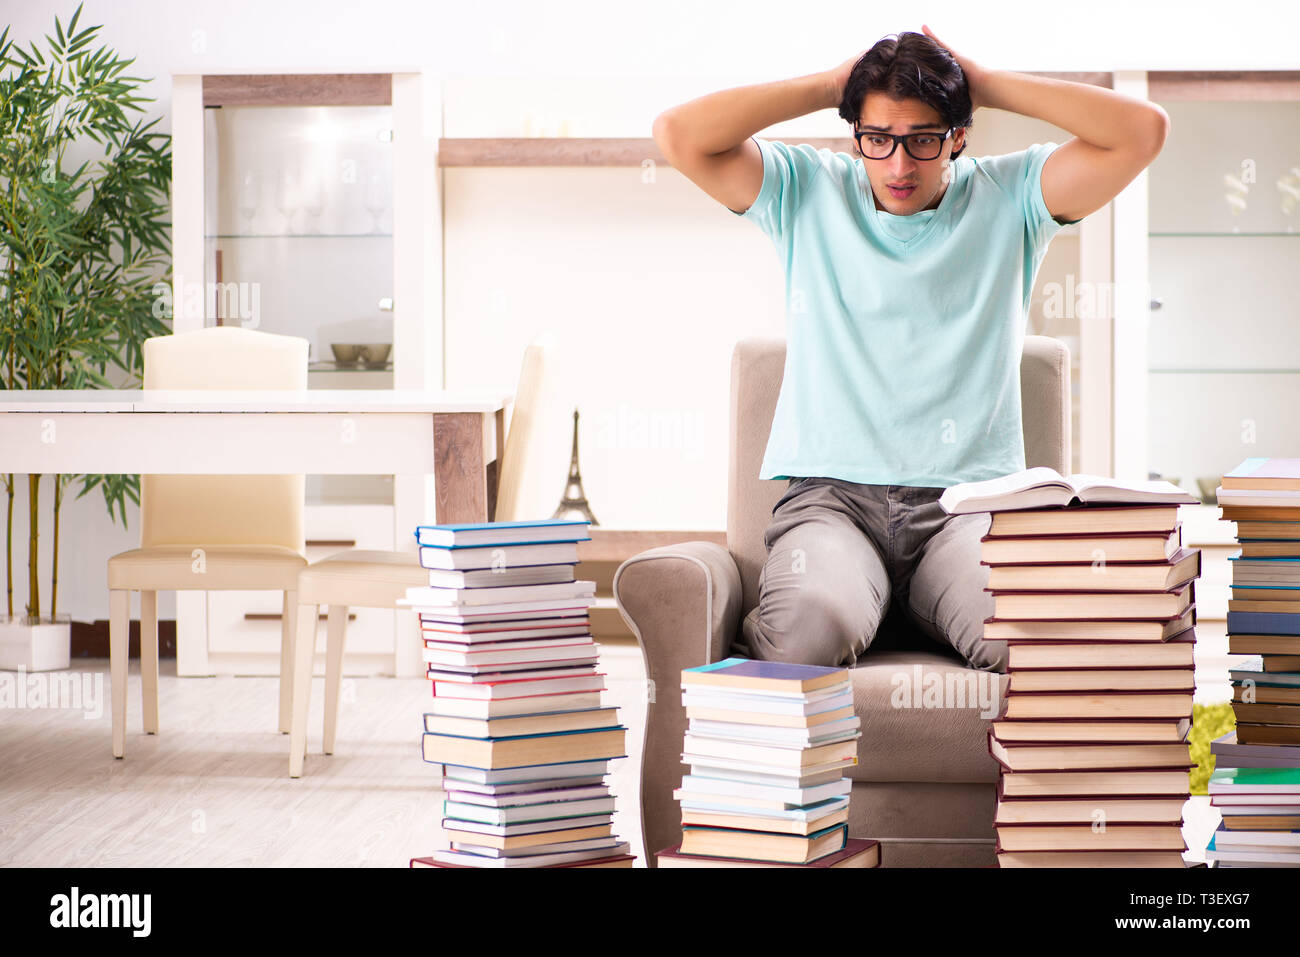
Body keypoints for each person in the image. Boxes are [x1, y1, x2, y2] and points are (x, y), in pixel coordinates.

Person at [651, 27, 1169, 672]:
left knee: (1030, 639)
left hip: (968, 507)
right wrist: (825, 85)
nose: (899, 166)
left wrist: (983, 81)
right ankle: (853, 605)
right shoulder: (806, 190)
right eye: (878, 139)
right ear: (855, 135)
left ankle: (914, 607)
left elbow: (1142, 130)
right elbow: (678, 133)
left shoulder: (1013, 197)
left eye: (924, 138)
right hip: (833, 501)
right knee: (812, 628)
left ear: (958, 135)